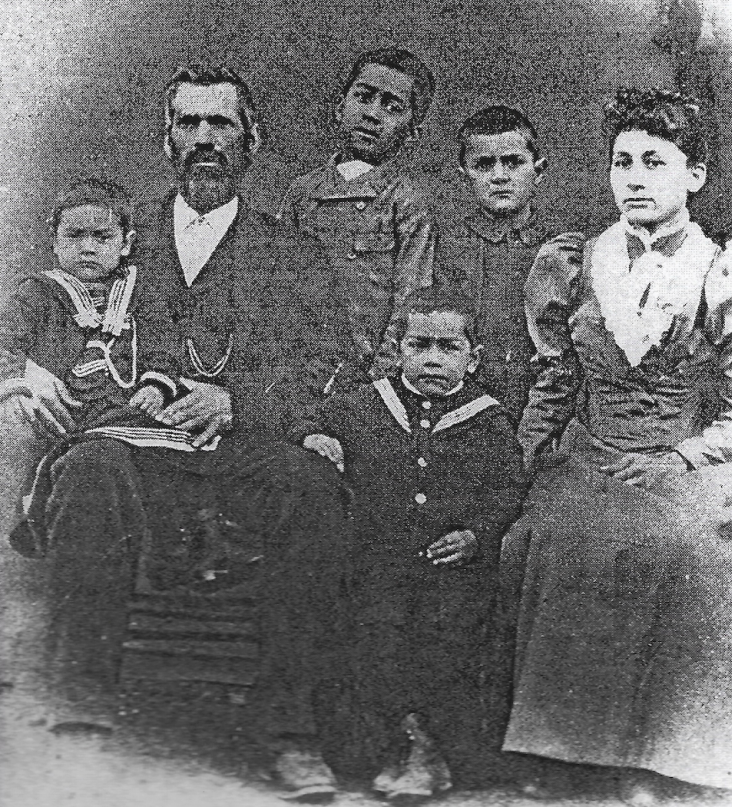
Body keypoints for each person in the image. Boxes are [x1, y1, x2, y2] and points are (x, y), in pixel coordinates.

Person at [20, 65, 354, 801]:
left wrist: (236, 400)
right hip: (135, 438)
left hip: (245, 441)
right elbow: (44, 313)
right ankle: (80, 715)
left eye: (222, 124)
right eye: (188, 124)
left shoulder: (291, 251)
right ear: (166, 138)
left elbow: (323, 361)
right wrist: (25, 371)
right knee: (87, 471)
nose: (204, 140)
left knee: (313, 489)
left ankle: (289, 726)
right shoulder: (114, 236)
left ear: (252, 141)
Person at [499, 89, 732, 805]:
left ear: (696, 175)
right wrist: (515, 471)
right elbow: (554, 383)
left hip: (689, 455)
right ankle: (560, 751)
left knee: (688, 547)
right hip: (591, 450)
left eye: (656, 161)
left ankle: (658, 756)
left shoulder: (726, 268)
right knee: (553, 534)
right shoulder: (575, 260)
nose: (636, 178)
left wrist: (680, 458)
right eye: (623, 162)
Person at [297, 286, 526, 799]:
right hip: (374, 564)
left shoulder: (488, 421)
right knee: (371, 648)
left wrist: (477, 534)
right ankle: (378, 748)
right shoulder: (361, 406)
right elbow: (309, 423)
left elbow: (507, 488)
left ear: (473, 357)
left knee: (448, 649)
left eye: (448, 348)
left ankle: (429, 748)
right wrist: (316, 437)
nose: (432, 359)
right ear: (398, 348)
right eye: (419, 345)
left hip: (452, 570)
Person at [0, 179, 180, 537]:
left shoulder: (142, 293)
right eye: (74, 236)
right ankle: (20, 527)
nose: (87, 248)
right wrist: (18, 386)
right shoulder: (36, 293)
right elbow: (5, 343)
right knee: (14, 432)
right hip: (58, 410)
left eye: (102, 237)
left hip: (124, 410)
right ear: (54, 242)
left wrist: (156, 385)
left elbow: (164, 344)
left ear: (126, 243)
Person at [279, 47, 438, 379]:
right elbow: (272, 285)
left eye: (392, 108)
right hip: (295, 366)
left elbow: (410, 302)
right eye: (364, 98)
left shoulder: (407, 201)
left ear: (412, 133)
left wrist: (381, 379)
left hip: (364, 374)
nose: (373, 115)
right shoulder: (302, 192)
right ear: (340, 108)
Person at [437, 105, 549, 420]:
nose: (499, 176)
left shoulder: (562, 251)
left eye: (513, 163)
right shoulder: (443, 247)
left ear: (538, 171)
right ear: (464, 176)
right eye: (484, 165)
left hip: (541, 410)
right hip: (460, 409)